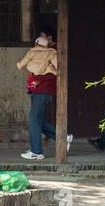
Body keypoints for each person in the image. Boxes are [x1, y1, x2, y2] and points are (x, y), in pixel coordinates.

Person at [16, 28, 71, 160]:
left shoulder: (52, 50)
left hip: (42, 89)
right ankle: (63, 138)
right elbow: (58, 67)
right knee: (37, 120)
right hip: (40, 89)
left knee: (33, 120)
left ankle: (36, 151)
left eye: (43, 36)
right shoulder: (52, 52)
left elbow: (20, 65)